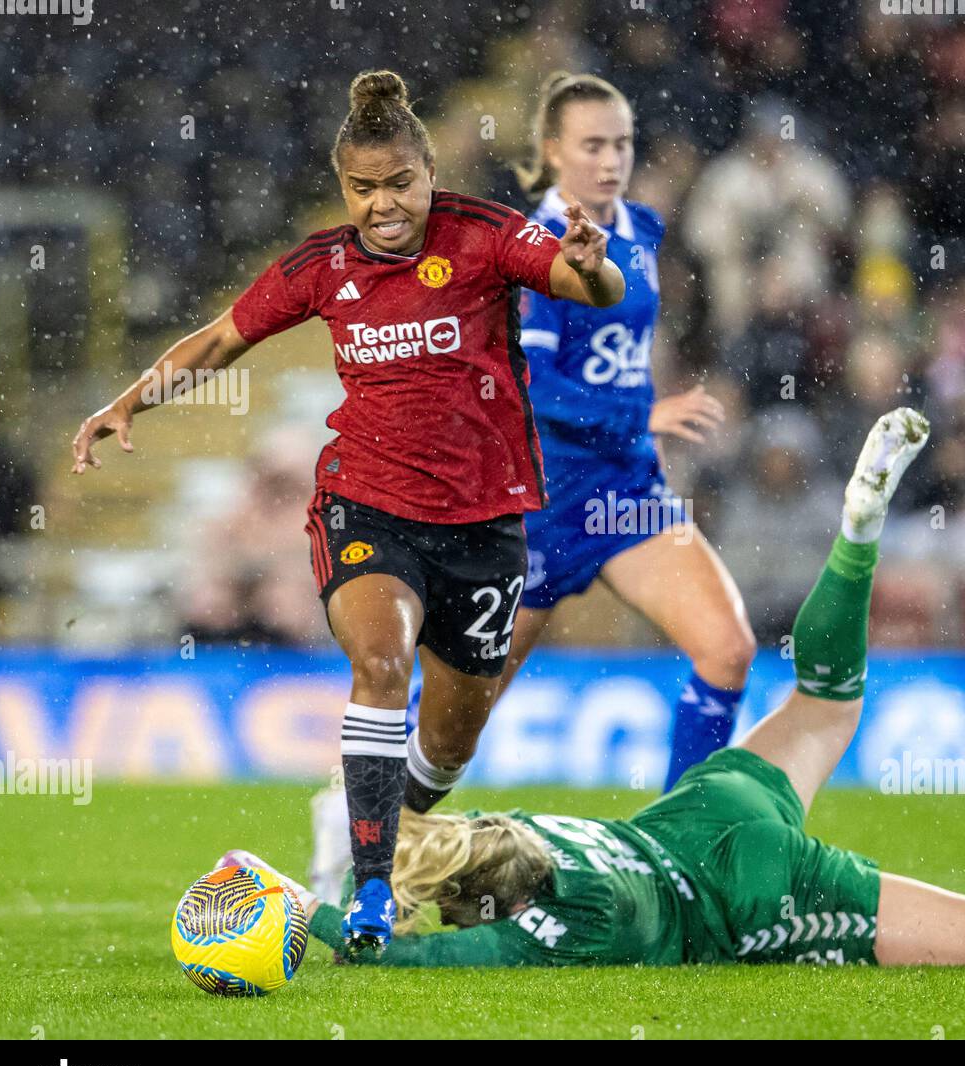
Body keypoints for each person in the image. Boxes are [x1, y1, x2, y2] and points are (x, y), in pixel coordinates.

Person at [225, 409, 965, 969]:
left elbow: (383, 958)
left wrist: (276, 913)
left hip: (740, 887)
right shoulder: (521, 832)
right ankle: (857, 536)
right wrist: (285, 874)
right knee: (830, 697)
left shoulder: (551, 931)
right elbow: (410, 893)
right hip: (695, 809)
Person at [70, 69, 625, 957]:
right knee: (379, 658)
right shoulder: (322, 265)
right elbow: (220, 338)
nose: (383, 205)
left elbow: (584, 280)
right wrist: (131, 402)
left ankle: (366, 816)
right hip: (367, 502)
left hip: (487, 522)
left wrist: (594, 270)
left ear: (428, 171)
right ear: (343, 187)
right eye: (363, 189)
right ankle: (371, 894)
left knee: (451, 740)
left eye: (400, 183)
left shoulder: (481, 236)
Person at [501, 72, 756, 791]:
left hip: (628, 492)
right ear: (554, 152)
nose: (612, 160)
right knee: (461, 716)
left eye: (622, 143)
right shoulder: (532, 248)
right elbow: (529, 384)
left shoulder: (641, 230)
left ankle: (675, 849)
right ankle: (356, 815)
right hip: (545, 501)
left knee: (727, 650)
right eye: (592, 145)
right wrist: (639, 414)